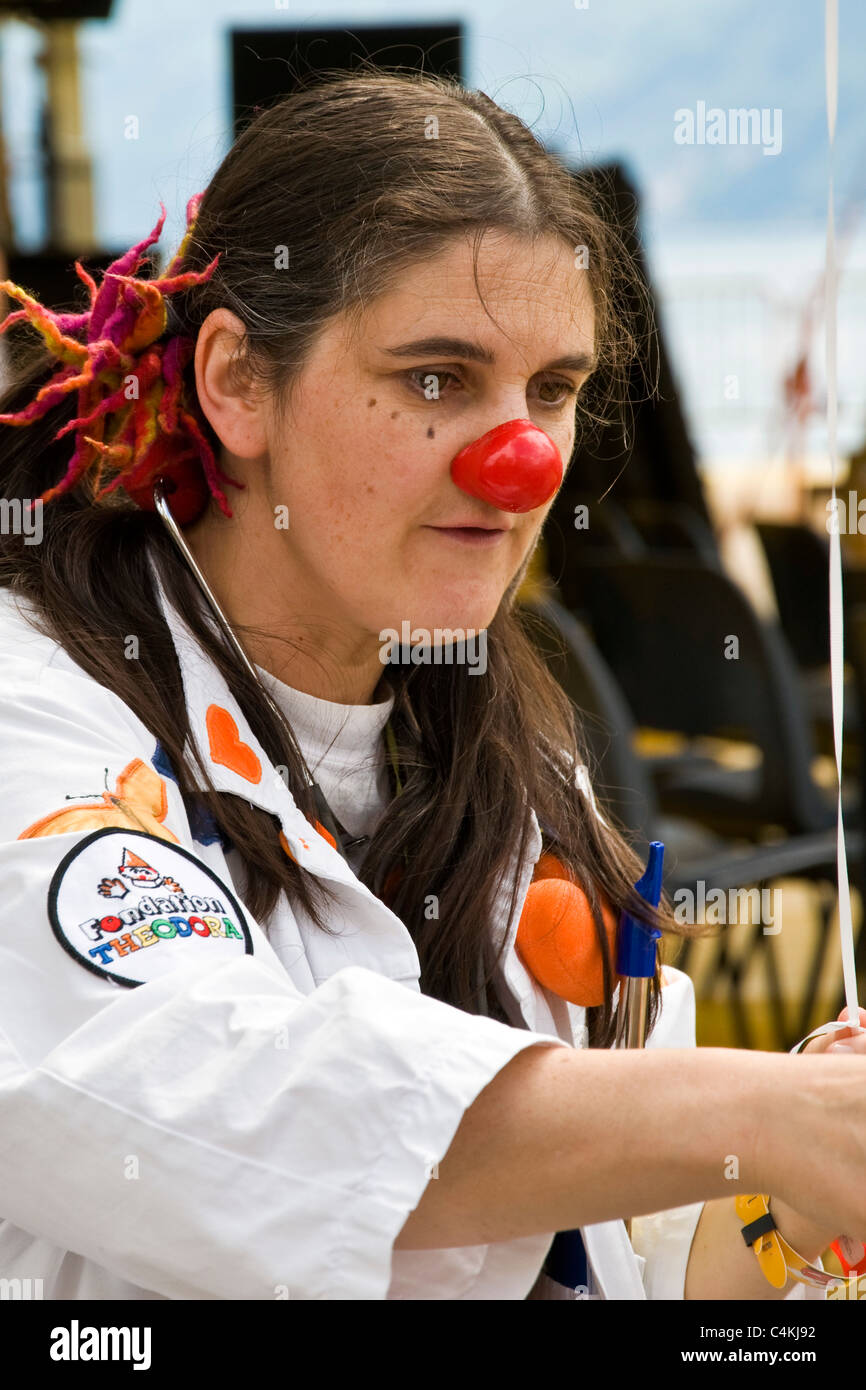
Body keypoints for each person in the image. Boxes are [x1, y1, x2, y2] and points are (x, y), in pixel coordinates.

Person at [0, 68, 864, 1303]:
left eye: (551, 391)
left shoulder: (496, 739)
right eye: (434, 379)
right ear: (237, 382)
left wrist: (788, 1189)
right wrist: (766, 1108)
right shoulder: (34, 708)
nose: (518, 463)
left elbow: (637, 1254)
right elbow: (243, 1107)